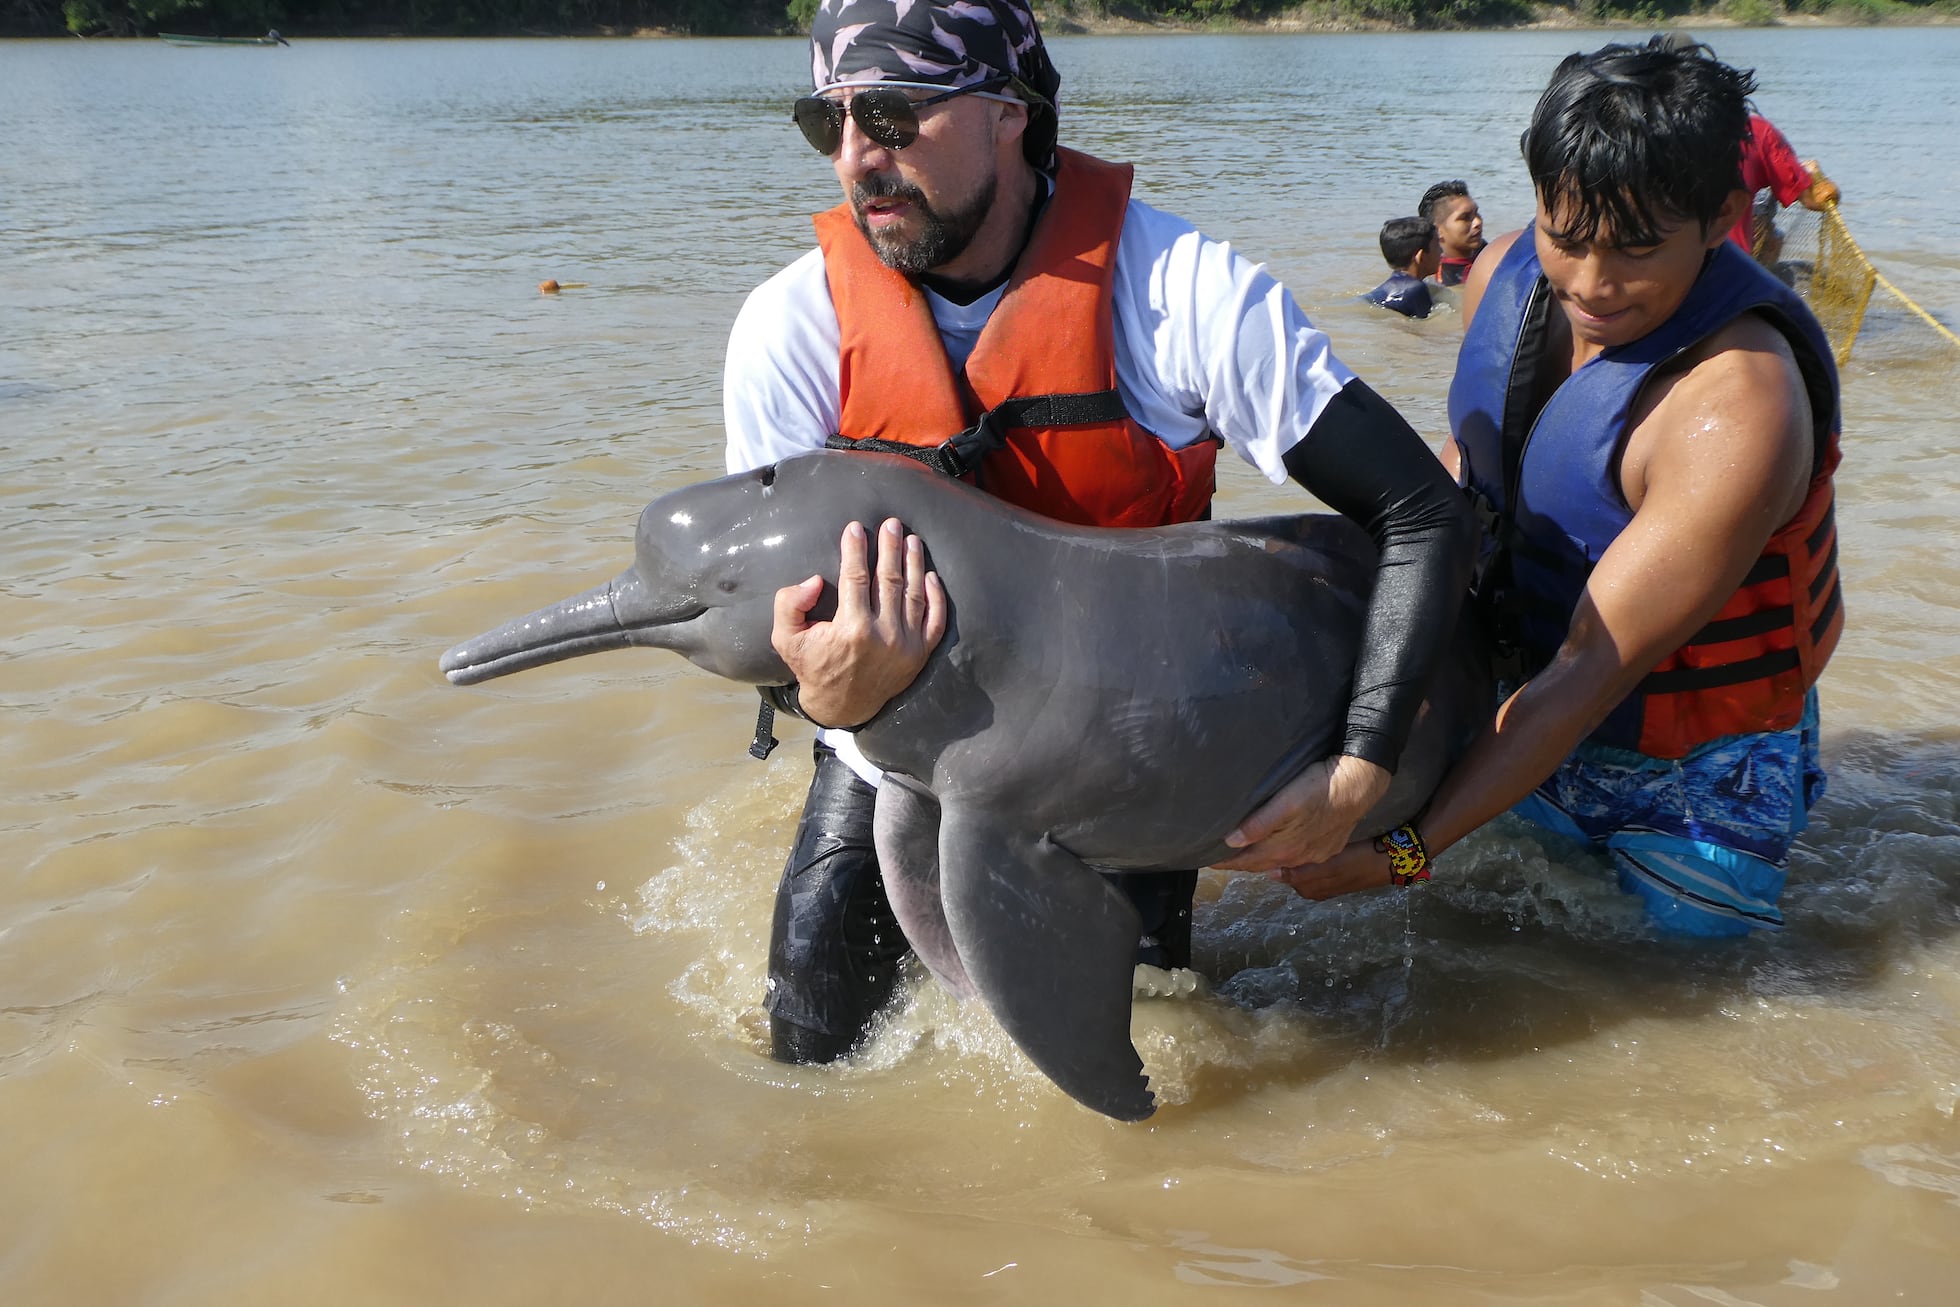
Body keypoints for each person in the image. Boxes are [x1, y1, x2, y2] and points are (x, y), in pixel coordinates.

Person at [723, 0, 1474, 1065]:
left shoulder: (1182, 293)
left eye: (891, 116)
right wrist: (818, 695)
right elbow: (759, 622)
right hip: (894, 749)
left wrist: (1360, 768)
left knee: (1164, 1060)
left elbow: (1421, 512)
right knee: (810, 1046)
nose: (856, 158)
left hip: (1131, 749)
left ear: (1008, 112)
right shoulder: (788, 329)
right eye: (827, 122)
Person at [1280, 37, 1844, 937]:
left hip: (1698, 770)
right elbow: (1473, 470)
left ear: (1723, 217)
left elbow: (1590, 671)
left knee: (1682, 987)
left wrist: (1405, 852)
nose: (1592, 285)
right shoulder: (1497, 275)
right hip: (1523, 707)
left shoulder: (1740, 406)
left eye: (1636, 250)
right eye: (1567, 237)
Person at [1364, 216, 1439, 319]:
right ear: (1421, 256)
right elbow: (1425, 326)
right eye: (1438, 246)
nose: (1442, 252)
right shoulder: (1416, 289)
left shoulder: (1389, 287)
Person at [1419, 180, 1485, 286]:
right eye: (1465, 217)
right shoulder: (1437, 279)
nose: (1478, 222)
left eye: (1476, 213)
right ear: (1437, 230)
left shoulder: (1492, 254)